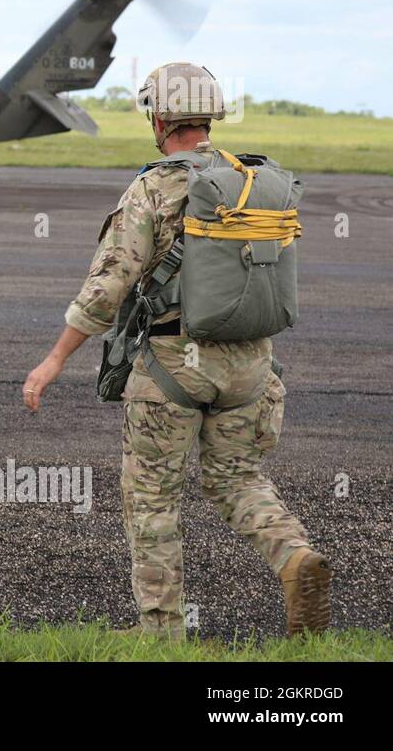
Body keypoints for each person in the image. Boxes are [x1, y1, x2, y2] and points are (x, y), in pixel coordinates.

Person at [22, 62, 330, 639]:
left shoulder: (154, 186)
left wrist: (56, 358)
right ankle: (293, 557)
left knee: (152, 498)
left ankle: (160, 630)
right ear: (210, 116)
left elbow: (109, 284)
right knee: (238, 478)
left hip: (174, 369)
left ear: (159, 118)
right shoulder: (251, 182)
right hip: (253, 367)